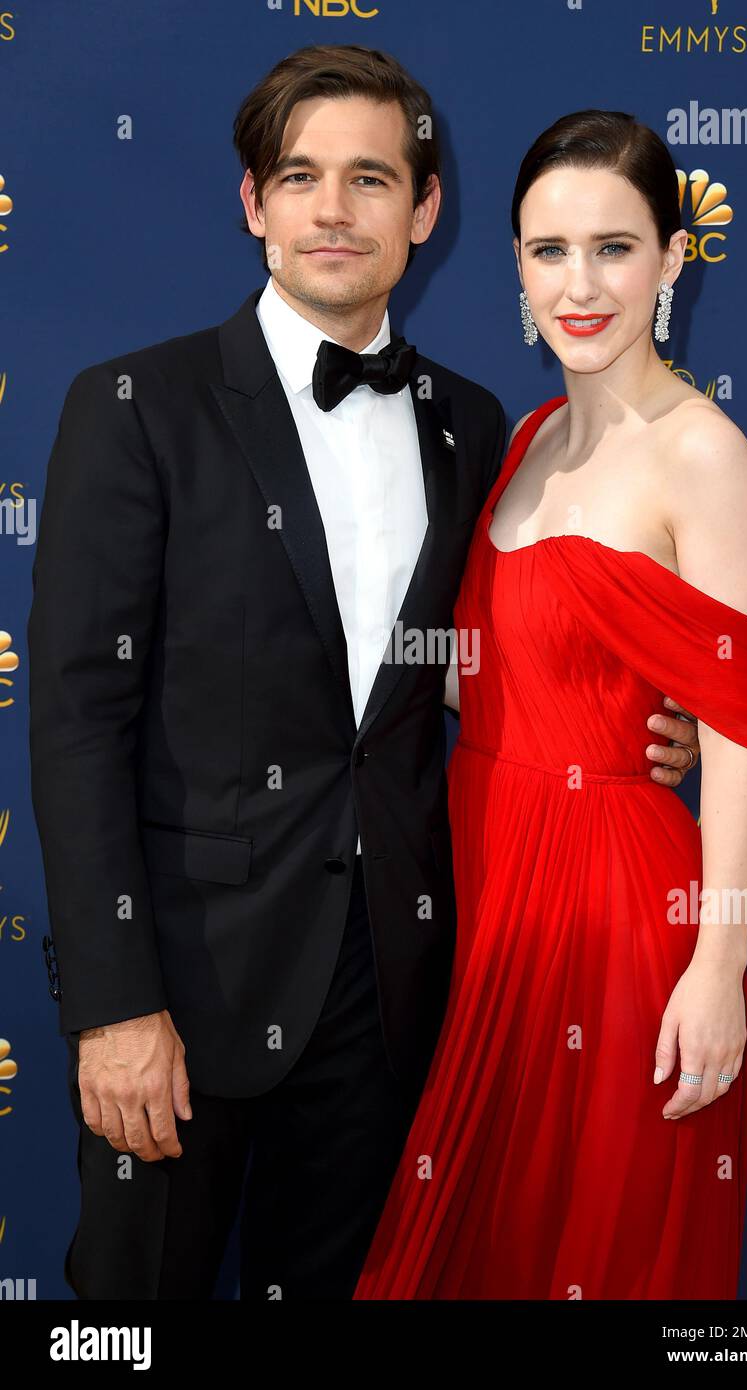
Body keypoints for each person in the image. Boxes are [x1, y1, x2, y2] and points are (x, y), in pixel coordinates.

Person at [28, 51, 698, 1301]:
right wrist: (114, 1007)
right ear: (254, 205)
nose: (334, 209)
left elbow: (469, 657)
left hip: (392, 991)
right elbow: (75, 721)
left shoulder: (476, 422)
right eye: (301, 177)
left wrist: (640, 723)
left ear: (425, 212)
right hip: (187, 984)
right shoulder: (136, 406)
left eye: (370, 178)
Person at [354, 109, 747, 1300]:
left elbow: (741, 737)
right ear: (516, 268)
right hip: (491, 891)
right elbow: (483, 660)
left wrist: (717, 967)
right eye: (549, 250)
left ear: (673, 260)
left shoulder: (707, 458)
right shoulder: (529, 436)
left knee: (591, 1245)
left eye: (614, 247)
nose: (579, 285)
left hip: (616, 918)